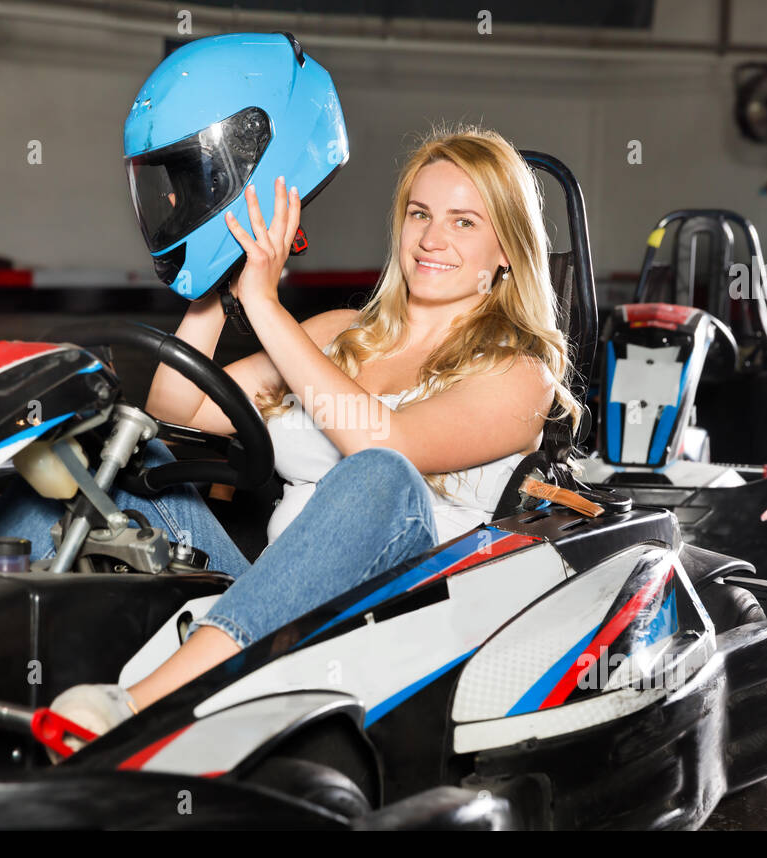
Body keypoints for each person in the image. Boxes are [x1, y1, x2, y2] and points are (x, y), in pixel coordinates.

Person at [43, 123, 582, 741]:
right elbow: (177, 410)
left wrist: (268, 307)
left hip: (403, 617)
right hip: (269, 595)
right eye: (420, 213)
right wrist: (220, 279)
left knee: (377, 476)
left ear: (506, 249)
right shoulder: (338, 335)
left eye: (465, 222)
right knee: (100, 463)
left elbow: (386, 445)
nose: (432, 238)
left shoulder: (520, 373)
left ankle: (141, 707)